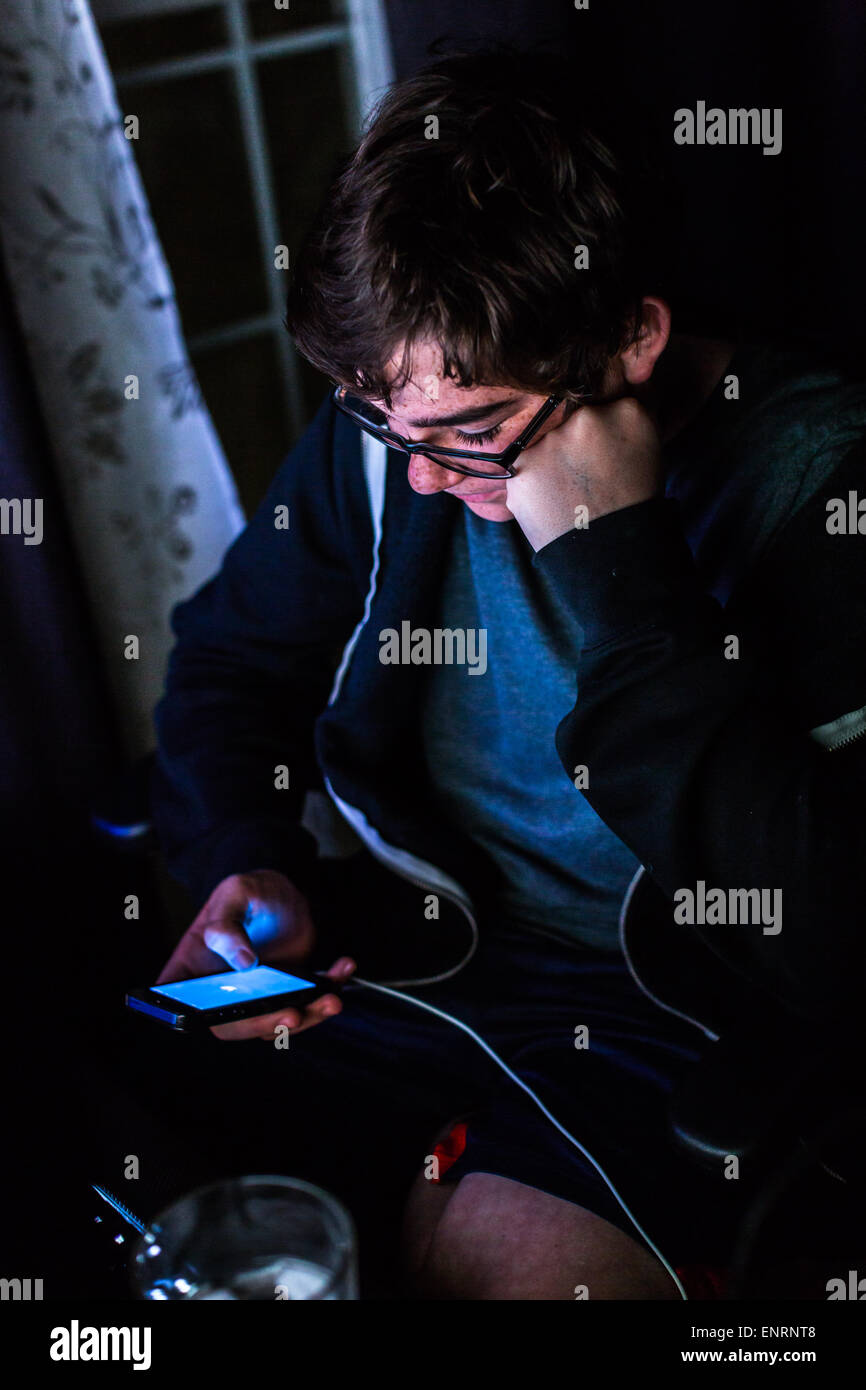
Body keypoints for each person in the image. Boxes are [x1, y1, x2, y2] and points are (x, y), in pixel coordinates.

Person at [150, 51, 866, 1299]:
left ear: (628, 338)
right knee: (104, 1146)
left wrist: (619, 559)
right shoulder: (398, 430)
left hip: (682, 997)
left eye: (470, 436)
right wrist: (242, 851)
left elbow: (825, 931)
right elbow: (230, 661)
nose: (418, 477)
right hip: (424, 941)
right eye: (383, 426)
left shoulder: (824, 486)